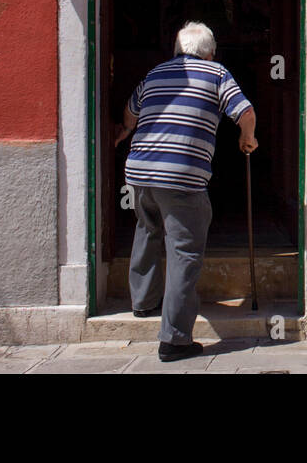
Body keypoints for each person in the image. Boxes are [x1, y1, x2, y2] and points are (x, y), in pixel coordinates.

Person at [114, 20, 257, 361]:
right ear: (210, 52)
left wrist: (124, 131)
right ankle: (174, 339)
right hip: (182, 176)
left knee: (147, 228)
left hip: (139, 170)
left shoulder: (154, 74)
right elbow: (245, 111)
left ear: (177, 51)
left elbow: (130, 114)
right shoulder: (216, 73)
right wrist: (247, 138)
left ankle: (143, 303)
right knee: (184, 251)